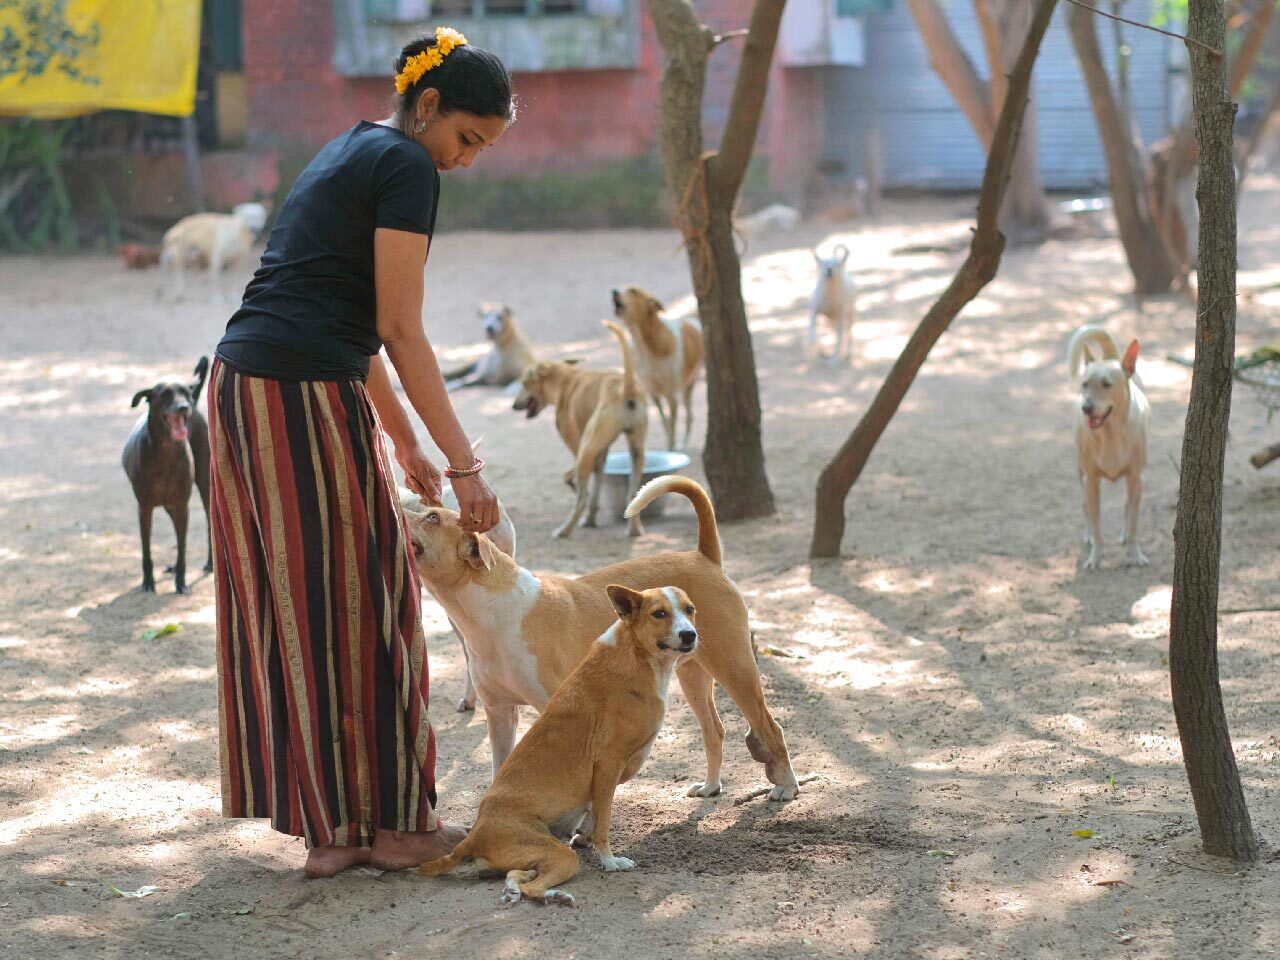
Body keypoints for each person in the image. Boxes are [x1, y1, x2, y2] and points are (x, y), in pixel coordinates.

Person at [207, 27, 514, 878]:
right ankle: (395, 828)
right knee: (370, 602)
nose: (466, 160)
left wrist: (406, 439)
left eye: (482, 148)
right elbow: (400, 327)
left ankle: (337, 832)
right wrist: (463, 465)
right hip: (295, 395)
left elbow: (351, 317)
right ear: (427, 107)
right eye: (465, 139)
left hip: (248, 390)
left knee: (311, 608)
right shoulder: (407, 167)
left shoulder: (355, 147)